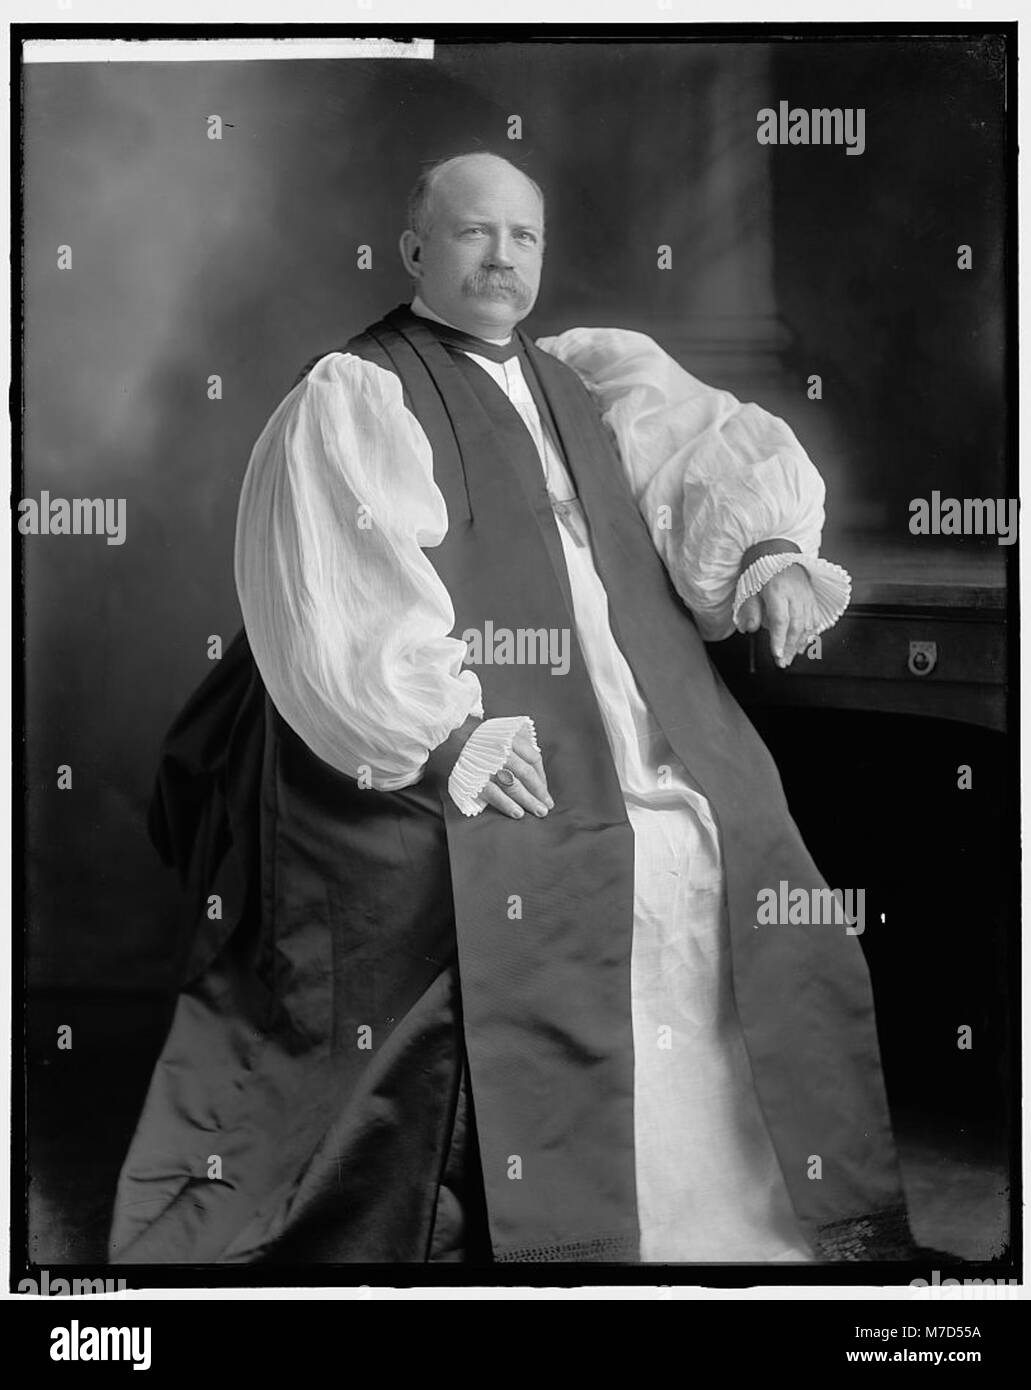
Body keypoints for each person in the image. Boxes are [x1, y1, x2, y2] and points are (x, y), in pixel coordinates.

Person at [109, 151, 918, 1266]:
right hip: (465, 706)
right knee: (552, 869)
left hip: (633, 698)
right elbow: (346, 595)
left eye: (521, 237)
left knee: (742, 842)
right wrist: (445, 737)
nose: (500, 258)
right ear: (414, 253)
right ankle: (575, 1225)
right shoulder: (359, 393)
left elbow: (698, 457)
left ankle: (747, 1214)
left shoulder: (586, 375)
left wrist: (772, 551)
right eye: (472, 234)